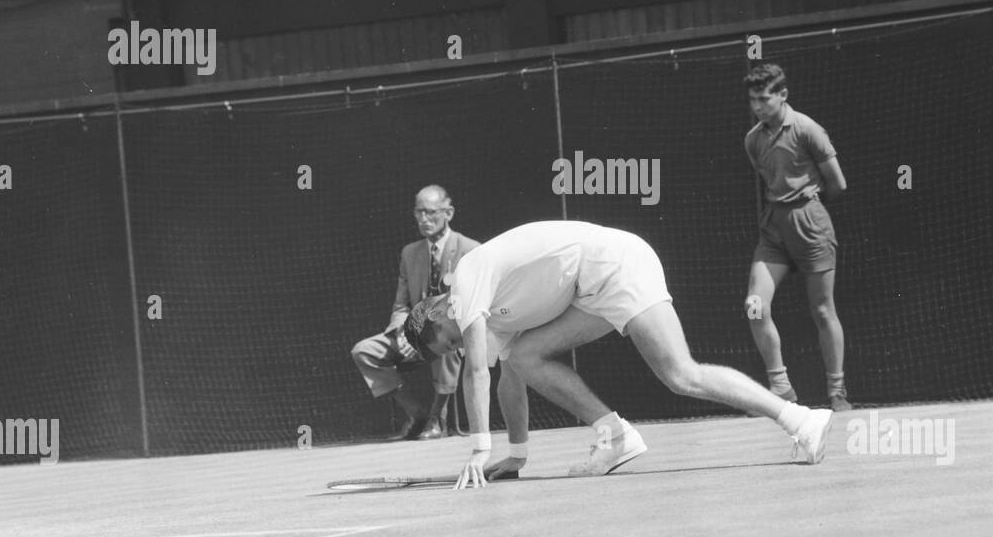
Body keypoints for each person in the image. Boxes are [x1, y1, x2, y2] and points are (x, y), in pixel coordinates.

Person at [403, 220, 834, 489]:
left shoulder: (465, 280)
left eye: (451, 339)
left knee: (681, 375)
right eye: (454, 347)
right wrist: (516, 454)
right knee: (524, 357)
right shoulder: (491, 318)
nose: (461, 346)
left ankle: (799, 420)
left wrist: (478, 450)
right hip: (588, 289)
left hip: (615, 265)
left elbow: (476, 372)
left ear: (439, 310)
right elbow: (507, 381)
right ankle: (616, 436)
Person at [743, 63, 851, 412]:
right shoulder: (753, 139)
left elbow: (838, 183)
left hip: (811, 224)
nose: (758, 107)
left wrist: (807, 206)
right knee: (755, 307)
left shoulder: (808, 129)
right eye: (753, 101)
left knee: (822, 310)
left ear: (783, 95)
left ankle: (837, 392)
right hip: (774, 228)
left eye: (764, 99)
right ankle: (782, 390)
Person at [350, 186, 480, 440]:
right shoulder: (410, 253)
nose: (424, 219)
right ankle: (417, 414)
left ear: (449, 213)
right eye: (419, 212)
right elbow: (401, 304)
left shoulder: (471, 249)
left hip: (455, 334)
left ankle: (437, 419)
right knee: (364, 350)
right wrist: (404, 334)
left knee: (445, 343)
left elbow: (474, 302)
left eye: (431, 213)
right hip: (413, 333)